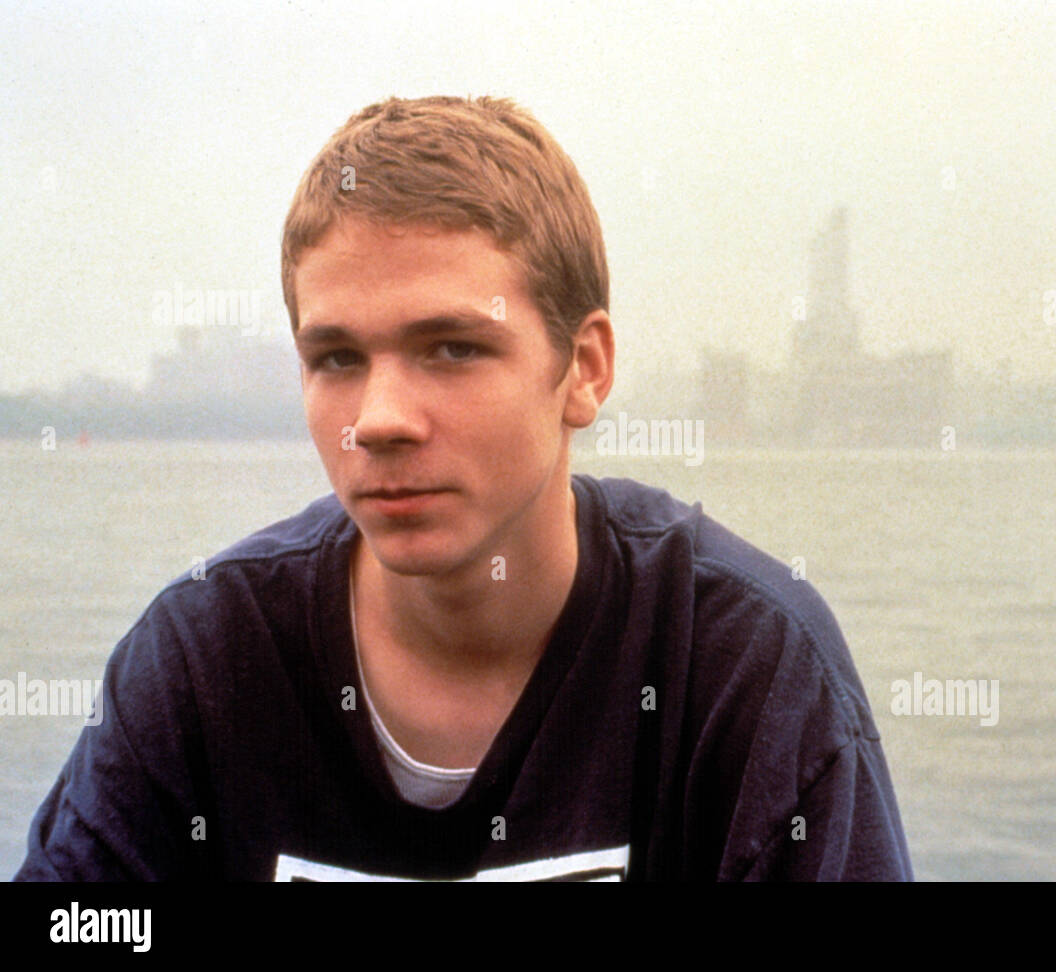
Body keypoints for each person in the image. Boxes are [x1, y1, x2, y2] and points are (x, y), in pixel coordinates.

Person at [15, 95, 912, 882]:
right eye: (336, 358)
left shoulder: (738, 665)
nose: (380, 418)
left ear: (583, 369)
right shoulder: (208, 656)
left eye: (452, 347)